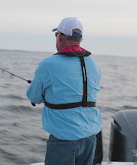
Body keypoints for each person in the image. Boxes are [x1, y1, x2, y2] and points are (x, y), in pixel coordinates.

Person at [26, 17, 102, 165]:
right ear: (79, 39)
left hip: (64, 139)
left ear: (60, 36)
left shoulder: (48, 64)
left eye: (56, 35)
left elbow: (34, 97)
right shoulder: (93, 63)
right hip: (90, 137)